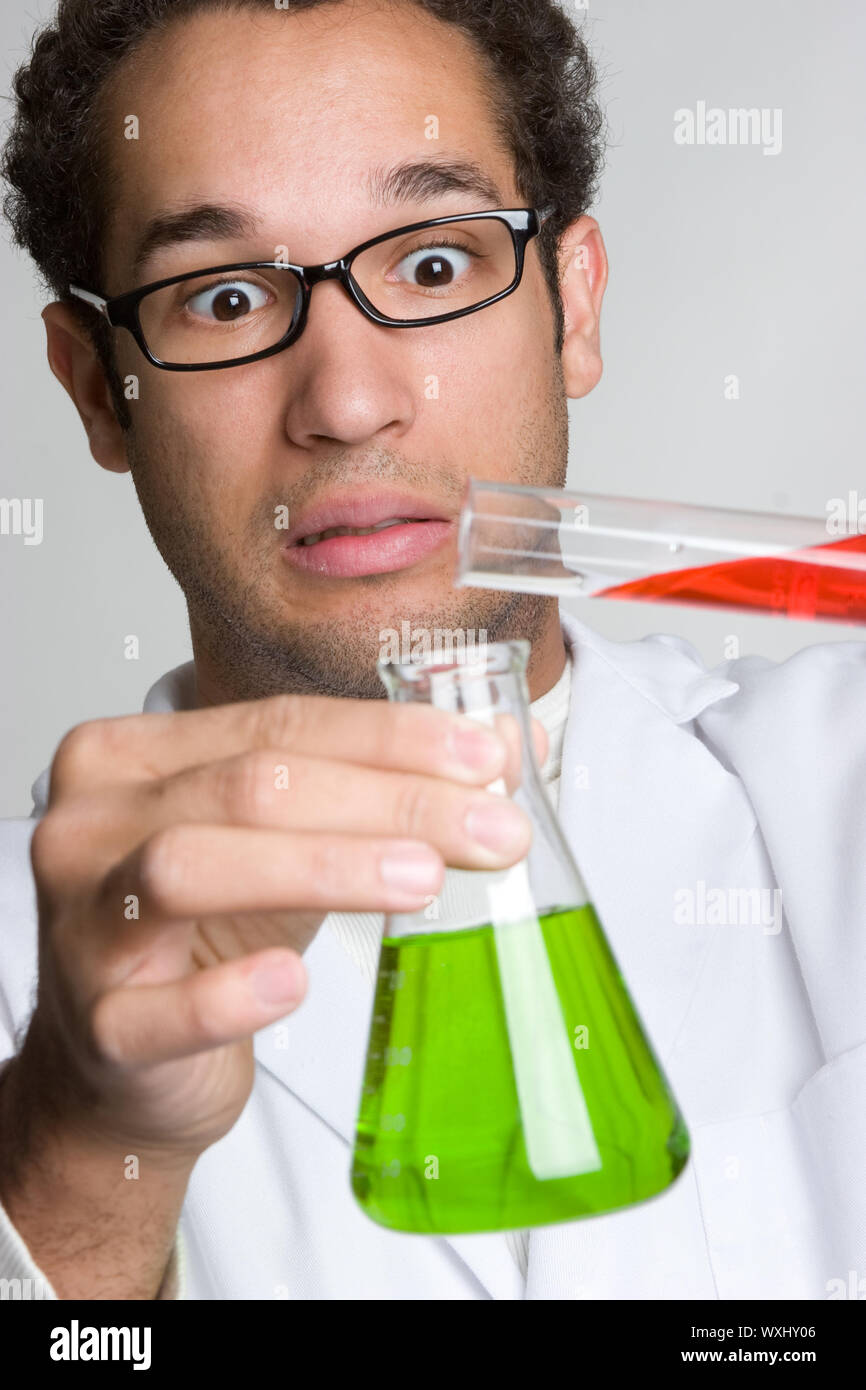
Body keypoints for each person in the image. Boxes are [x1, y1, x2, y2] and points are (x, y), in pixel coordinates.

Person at [0, 0, 862, 1302]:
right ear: (95, 391)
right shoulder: (31, 986)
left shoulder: (839, 783)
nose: (348, 403)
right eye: (223, 298)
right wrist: (79, 1162)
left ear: (572, 307)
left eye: (435, 266)